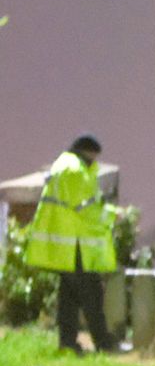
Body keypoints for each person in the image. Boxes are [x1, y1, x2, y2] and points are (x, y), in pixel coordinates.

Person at [24, 135, 124, 354]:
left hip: (65, 246)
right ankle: (103, 343)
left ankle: (67, 343)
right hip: (76, 245)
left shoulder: (62, 166)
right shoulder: (76, 171)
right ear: (89, 152)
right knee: (92, 295)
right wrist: (112, 214)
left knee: (68, 298)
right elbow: (86, 209)